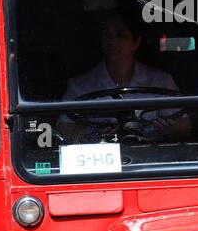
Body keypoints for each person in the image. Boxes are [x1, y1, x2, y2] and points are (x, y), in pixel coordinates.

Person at [57, 7, 190, 144]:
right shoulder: (79, 87)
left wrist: (166, 129)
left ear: (136, 42)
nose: (111, 42)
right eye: (107, 35)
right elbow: (63, 128)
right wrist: (93, 134)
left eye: (120, 35)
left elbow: (184, 124)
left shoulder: (161, 81)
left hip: (152, 157)